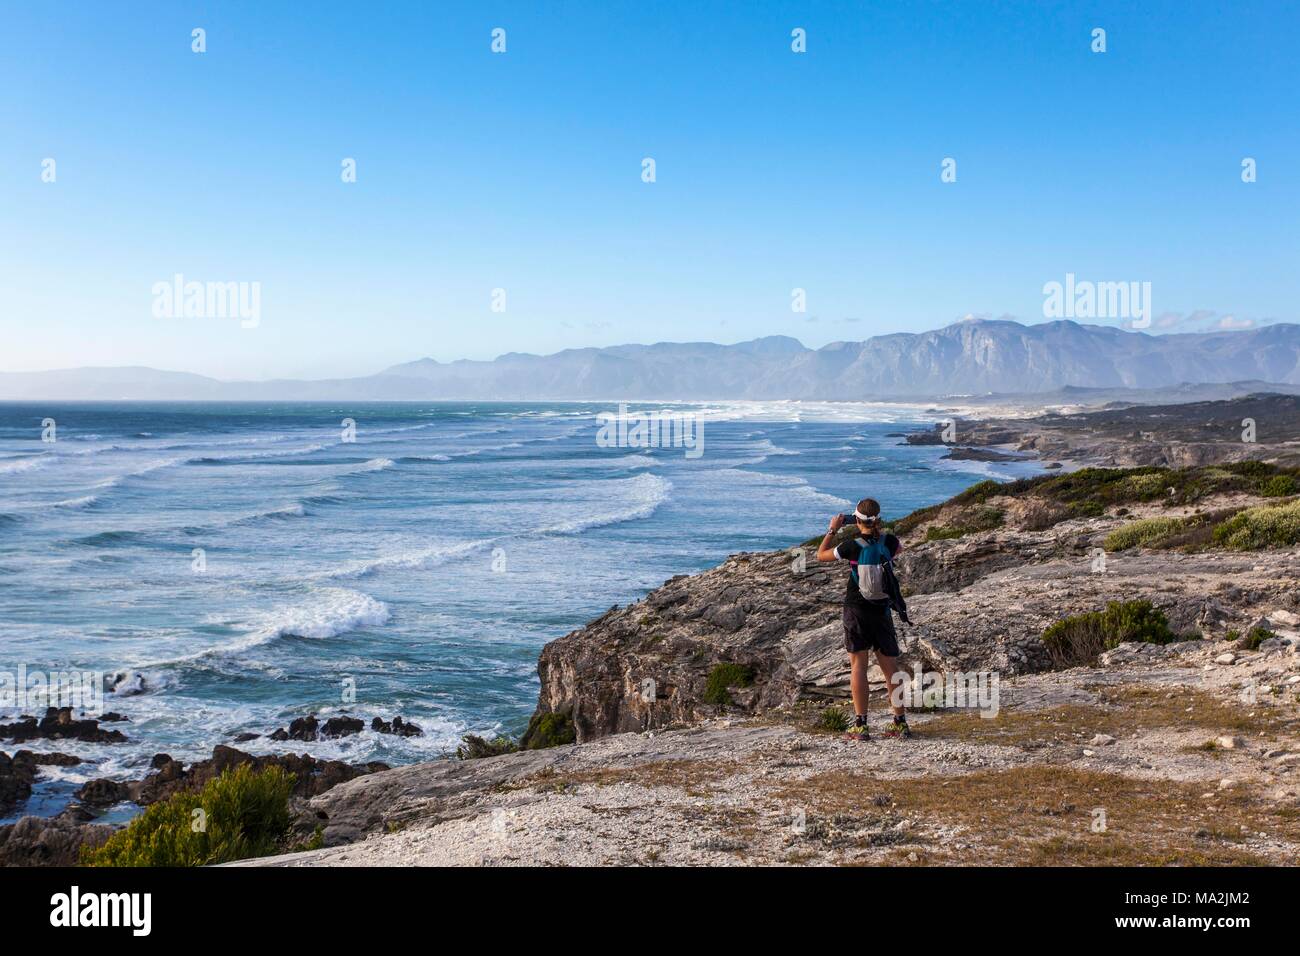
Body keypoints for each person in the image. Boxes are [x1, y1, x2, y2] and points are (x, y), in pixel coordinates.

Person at [815, 497, 911, 741]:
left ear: (856, 520)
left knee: (858, 665)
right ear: (878, 519)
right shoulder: (889, 541)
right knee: (891, 667)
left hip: (857, 608)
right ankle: (899, 723)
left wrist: (832, 529)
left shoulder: (851, 545)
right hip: (882, 609)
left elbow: (821, 555)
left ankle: (861, 724)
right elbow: (897, 551)